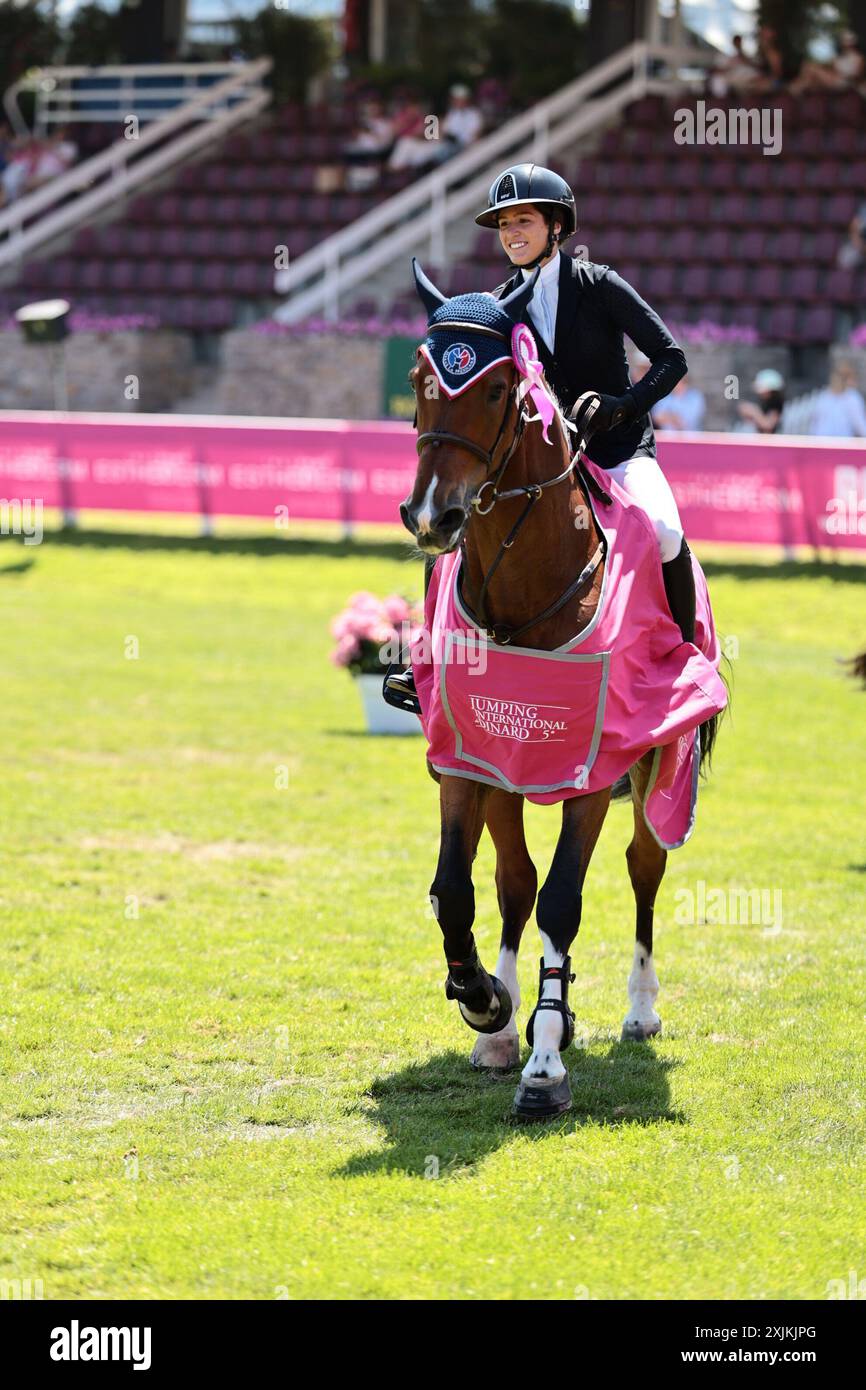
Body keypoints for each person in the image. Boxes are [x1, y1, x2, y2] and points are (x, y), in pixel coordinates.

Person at [385, 162, 695, 712]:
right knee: (448, 530)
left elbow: (672, 358)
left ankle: (682, 661)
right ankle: (424, 660)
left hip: (617, 450)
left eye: (523, 221)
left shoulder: (598, 285)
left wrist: (623, 408)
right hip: (540, 464)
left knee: (666, 529)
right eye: (504, 225)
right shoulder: (499, 304)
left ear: (557, 227)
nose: (512, 234)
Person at [789, 30, 865, 92]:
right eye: (843, 40)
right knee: (809, 77)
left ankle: (792, 91)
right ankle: (794, 91)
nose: (844, 43)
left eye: (846, 40)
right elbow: (832, 70)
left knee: (810, 67)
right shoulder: (839, 58)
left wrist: (841, 75)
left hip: (843, 83)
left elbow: (857, 76)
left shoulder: (859, 58)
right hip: (835, 80)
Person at [810, 362, 866, 436]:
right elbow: (815, 423)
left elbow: (860, 425)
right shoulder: (823, 396)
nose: (837, 379)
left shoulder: (853, 398)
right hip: (820, 443)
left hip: (842, 444)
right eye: (837, 375)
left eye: (842, 376)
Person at [738, 368, 785, 433]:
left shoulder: (776, 404)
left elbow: (768, 426)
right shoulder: (764, 402)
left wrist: (754, 412)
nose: (760, 393)